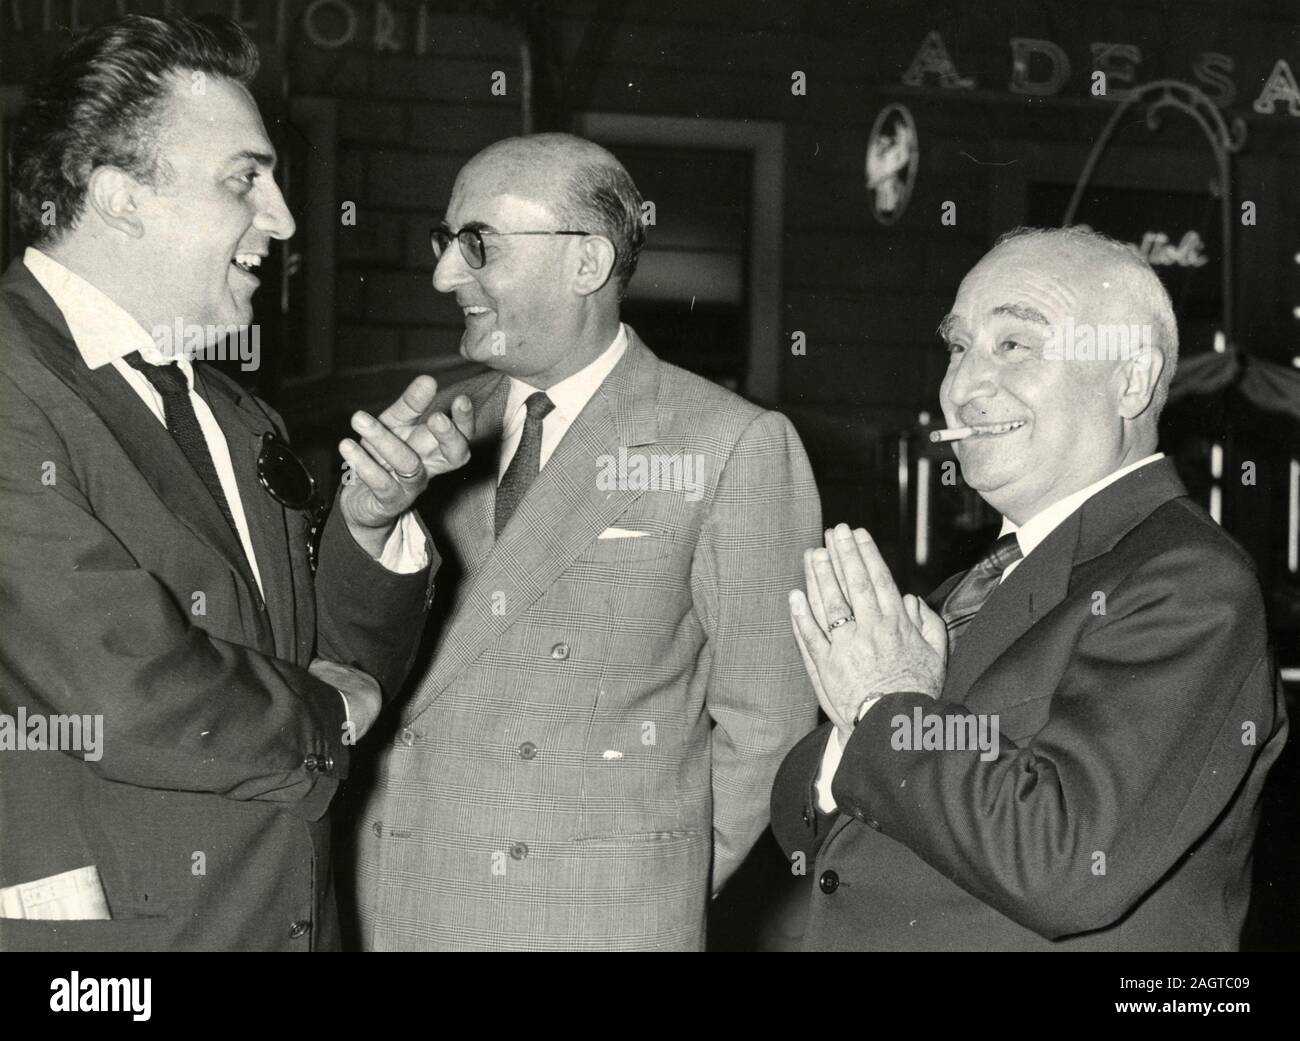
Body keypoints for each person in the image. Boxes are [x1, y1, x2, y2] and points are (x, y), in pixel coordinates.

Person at [0, 14, 473, 952]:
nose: (285, 219)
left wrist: (371, 526)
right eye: (242, 180)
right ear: (118, 195)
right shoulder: (12, 382)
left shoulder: (232, 411)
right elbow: (129, 689)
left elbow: (329, 662)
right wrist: (330, 709)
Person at [353, 133, 820, 951]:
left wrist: (645, 880)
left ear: (586, 263)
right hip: (406, 902)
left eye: (478, 245)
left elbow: (770, 724)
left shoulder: (729, 444)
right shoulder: (433, 429)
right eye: (446, 240)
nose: (444, 275)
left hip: (590, 920)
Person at [772, 226, 1288, 951]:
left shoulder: (1192, 583)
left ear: (1131, 379)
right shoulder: (985, 578)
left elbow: (1063, 861)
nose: (962, 388)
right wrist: (864, 723)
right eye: (958, 347)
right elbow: (808, 822)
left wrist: (879, 703)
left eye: (1014, 344)